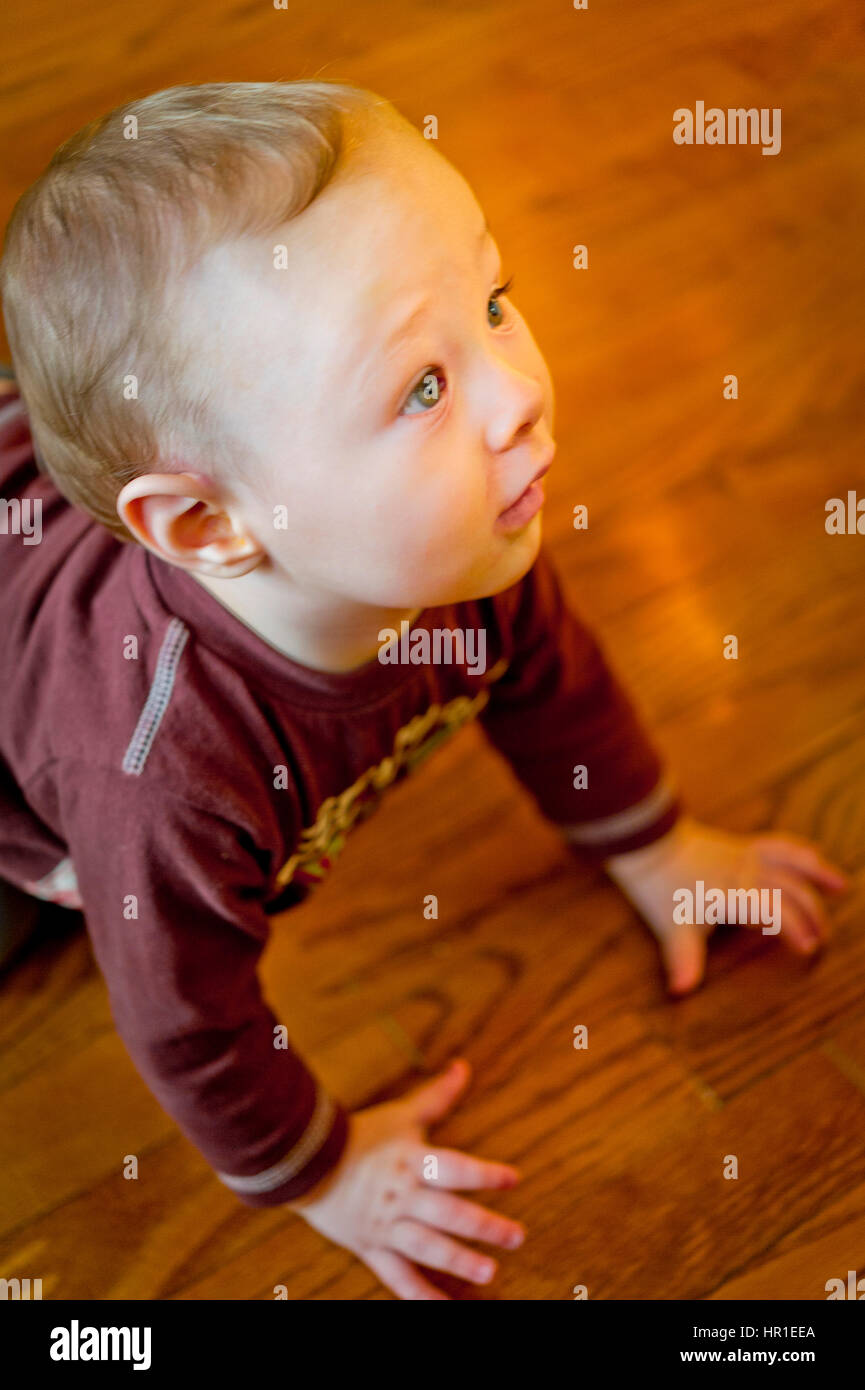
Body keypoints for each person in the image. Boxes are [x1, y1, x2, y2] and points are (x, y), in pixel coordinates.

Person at [0, 82, 849, 1300]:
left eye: (493, 303)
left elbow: (550, 682)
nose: (519, 395)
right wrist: (324, 1174)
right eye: (421, 388)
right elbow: (188, 1024)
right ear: (206, 521)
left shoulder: (454, 544)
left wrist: (657, 847)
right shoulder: (160, 779)